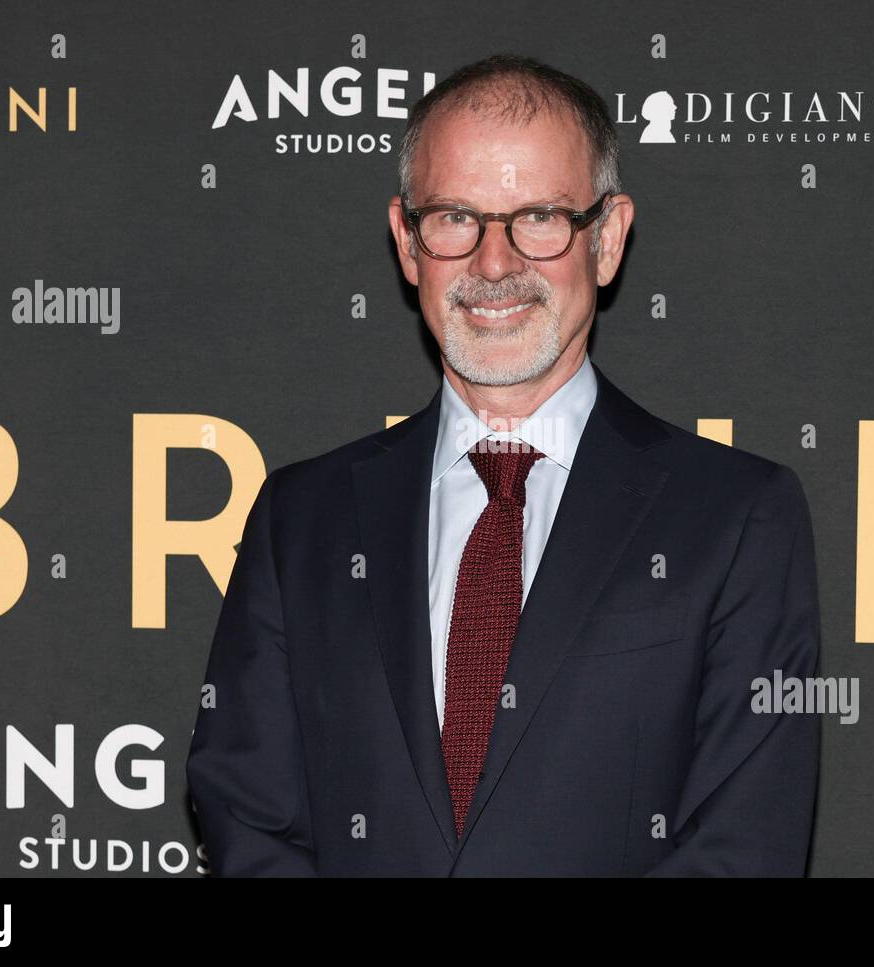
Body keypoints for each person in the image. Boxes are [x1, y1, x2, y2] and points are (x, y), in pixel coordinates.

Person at [186, 53, 822, 875]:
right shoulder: (299, 519)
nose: (494, 263)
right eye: (456, 217)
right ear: (408, 241)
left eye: (539, 217)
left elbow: (745, 843)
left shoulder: (739, 517)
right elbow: (246, 809)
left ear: (608, 237)